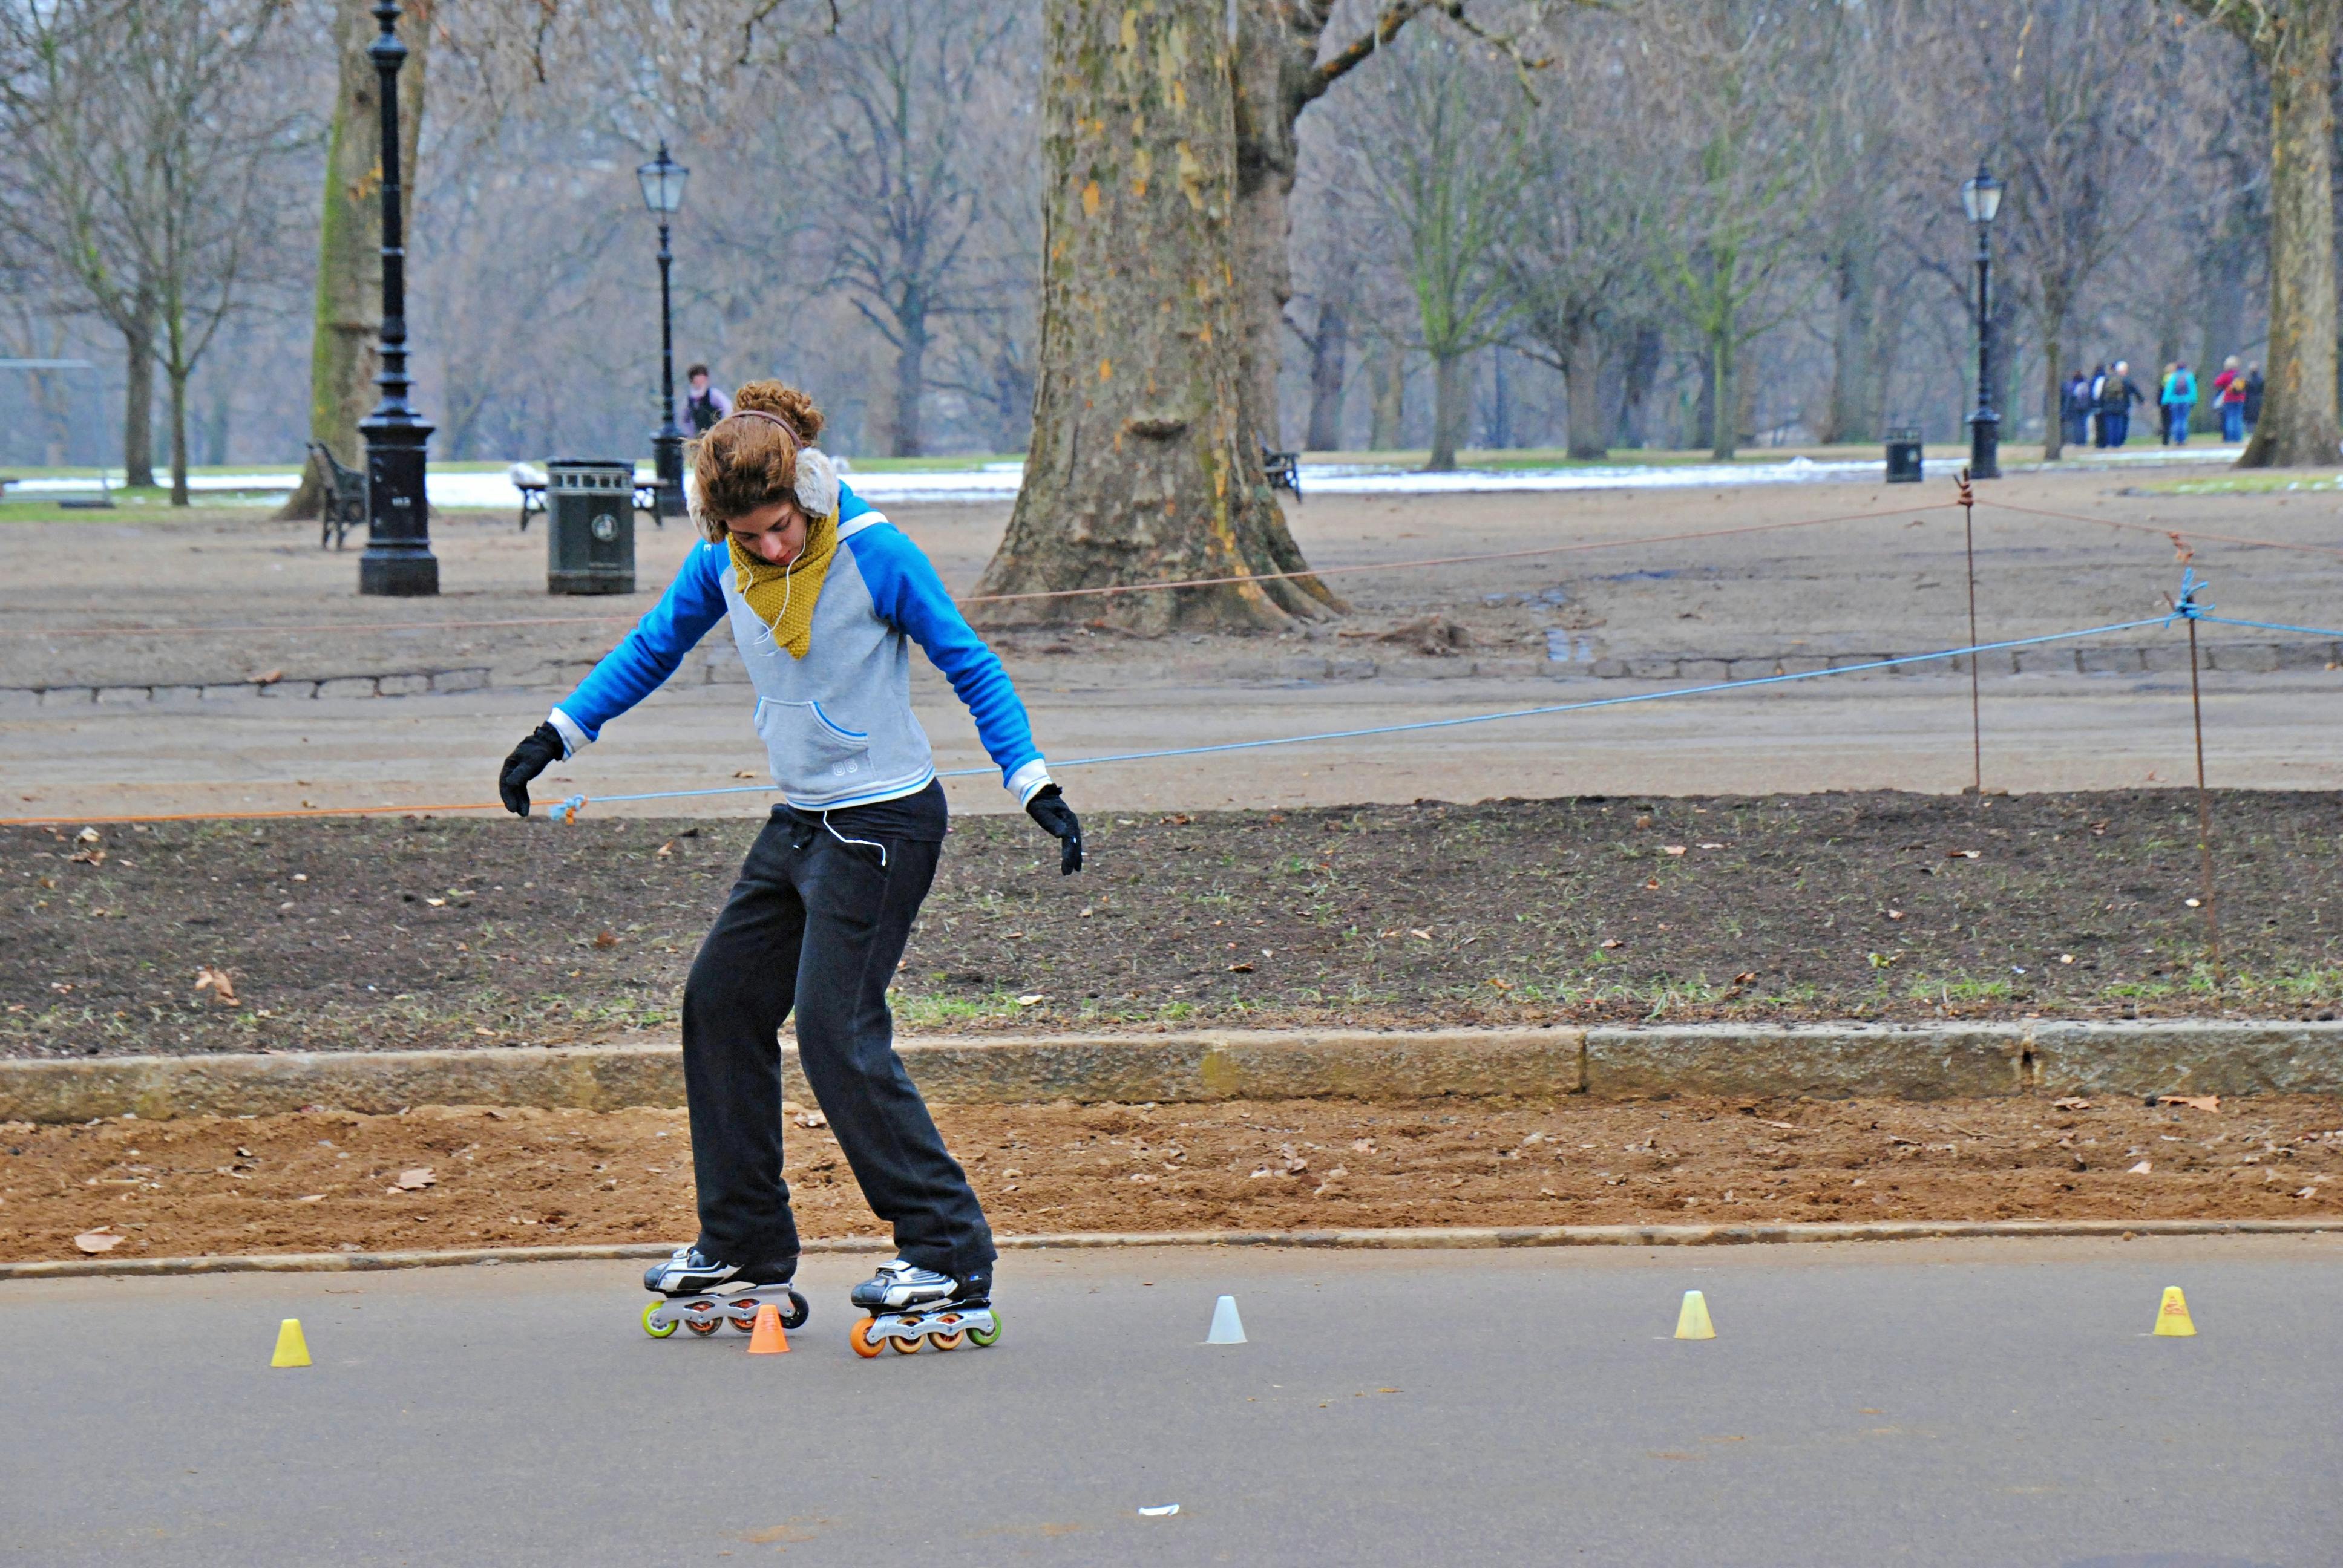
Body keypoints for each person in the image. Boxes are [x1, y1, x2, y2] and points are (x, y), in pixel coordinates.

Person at [496, 380, 1082, 1353]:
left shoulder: (875, 553)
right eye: (747, 535)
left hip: (885, 825)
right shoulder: (720, 559)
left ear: (805, 495)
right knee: (719, 1001)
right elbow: (652, 648)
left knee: (834, 1031)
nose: (769, 548)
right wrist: (555, 735)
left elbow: (970, 663)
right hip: (801, 824)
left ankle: (948, 1251)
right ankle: (744, 1244)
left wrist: (1034, 784)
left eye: (779, 528)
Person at [2098, 361, 2144, 448]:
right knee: (2119, 425)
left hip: (2108, 406)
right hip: (2122, 406)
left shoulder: (2107, 379)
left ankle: (2111, 443)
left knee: (2110, 425)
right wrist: (2141, 400)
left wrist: (2101, 405)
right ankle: (2118, 443)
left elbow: (2102, 394)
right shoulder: (2126, 380)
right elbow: (2135, 391)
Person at [683, 364, 732, 435]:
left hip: (716, 435)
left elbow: (728, 409)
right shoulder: (689, 400)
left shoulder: (714, 395)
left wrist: (722, 429)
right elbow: (686, 420)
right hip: (699, 438)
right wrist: (691, 435)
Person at [2209, 355, 2247, 444]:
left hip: (2229, 399)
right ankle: (2238, 438)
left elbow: (2216, 383)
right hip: (2240, 399)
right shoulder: (2239, 375)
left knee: (2230, 418)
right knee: (2238, 418)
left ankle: (2230, 438)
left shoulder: (2226, 376)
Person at [2160, 361, 2196, 445]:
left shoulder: (2173, 377)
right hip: (2186, 400)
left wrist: (2165, 401)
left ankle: (2177, 439)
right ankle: (2183, 439)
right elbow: (2193, 390)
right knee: (2184, 420)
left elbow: (2169, 390)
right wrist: (2193, 400)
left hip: (2174, 401)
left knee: (2176, 420)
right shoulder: (2189, 377)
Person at [2061, 369, 2092, 450]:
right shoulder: (2086, 384)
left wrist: (2066, 410)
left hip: (2076, 408)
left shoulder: (2072, 385)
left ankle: (2078, 441)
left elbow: (2070, 398)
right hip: (2085, 408)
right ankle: (2084, 441)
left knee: (2077, 425)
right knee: (2084, 424)